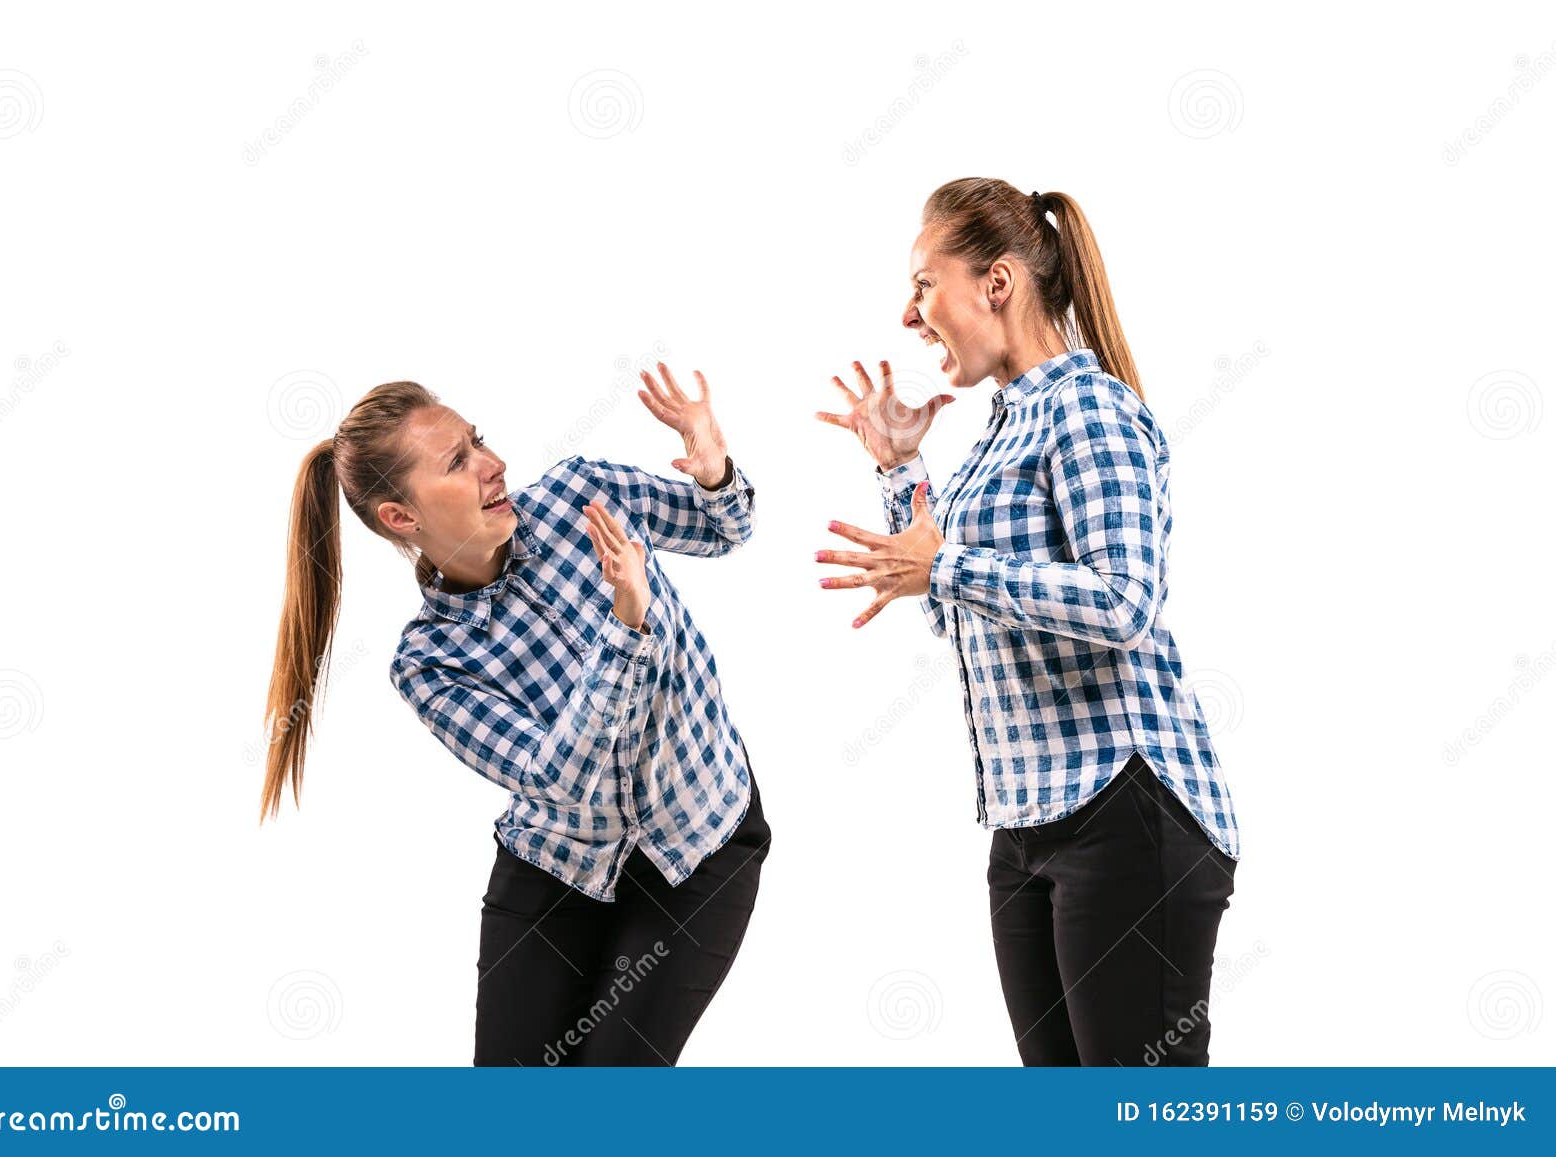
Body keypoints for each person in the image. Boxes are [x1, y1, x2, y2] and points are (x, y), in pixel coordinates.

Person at [815, 179, 1240, 1066]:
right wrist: (901, 470)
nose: (909, 312)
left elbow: (1125, 601)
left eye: (925, 283)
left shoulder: (1091, 410)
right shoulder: (1001, 433)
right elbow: (949, 605)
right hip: (1025, 827)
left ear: (997, 284)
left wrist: (949, 564)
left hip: (1126, 812)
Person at [260, 363, 771, 1066]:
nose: (493, 466)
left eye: (478, 441)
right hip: (558, 866)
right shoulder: (430, 663)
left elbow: (725, 527)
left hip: (699, 845)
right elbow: (557, 776)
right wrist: (626, 628)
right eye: (458, 462)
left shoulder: (581, 494)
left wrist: (714, 469)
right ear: (401, 517)